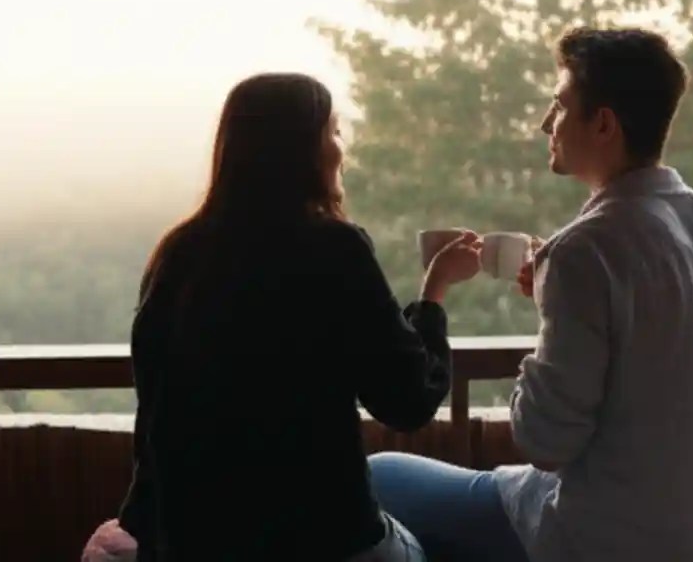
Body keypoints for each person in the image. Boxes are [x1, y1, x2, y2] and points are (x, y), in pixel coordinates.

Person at [368, 27, 693, 561]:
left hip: (600, 540)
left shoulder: (584, 250)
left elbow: (546, 442)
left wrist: (550, 314)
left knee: (379, 475)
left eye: (558, 106)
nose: (544, 123)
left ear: (603, 123)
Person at [85, 73, 482, 561]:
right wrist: (434, 294)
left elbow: (155, 414)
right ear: (303, 150)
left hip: (193, 541)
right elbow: (407, 400)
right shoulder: (333, 248)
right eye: (333, 131)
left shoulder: (180, 254)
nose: (342, 148)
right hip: (322, 540)